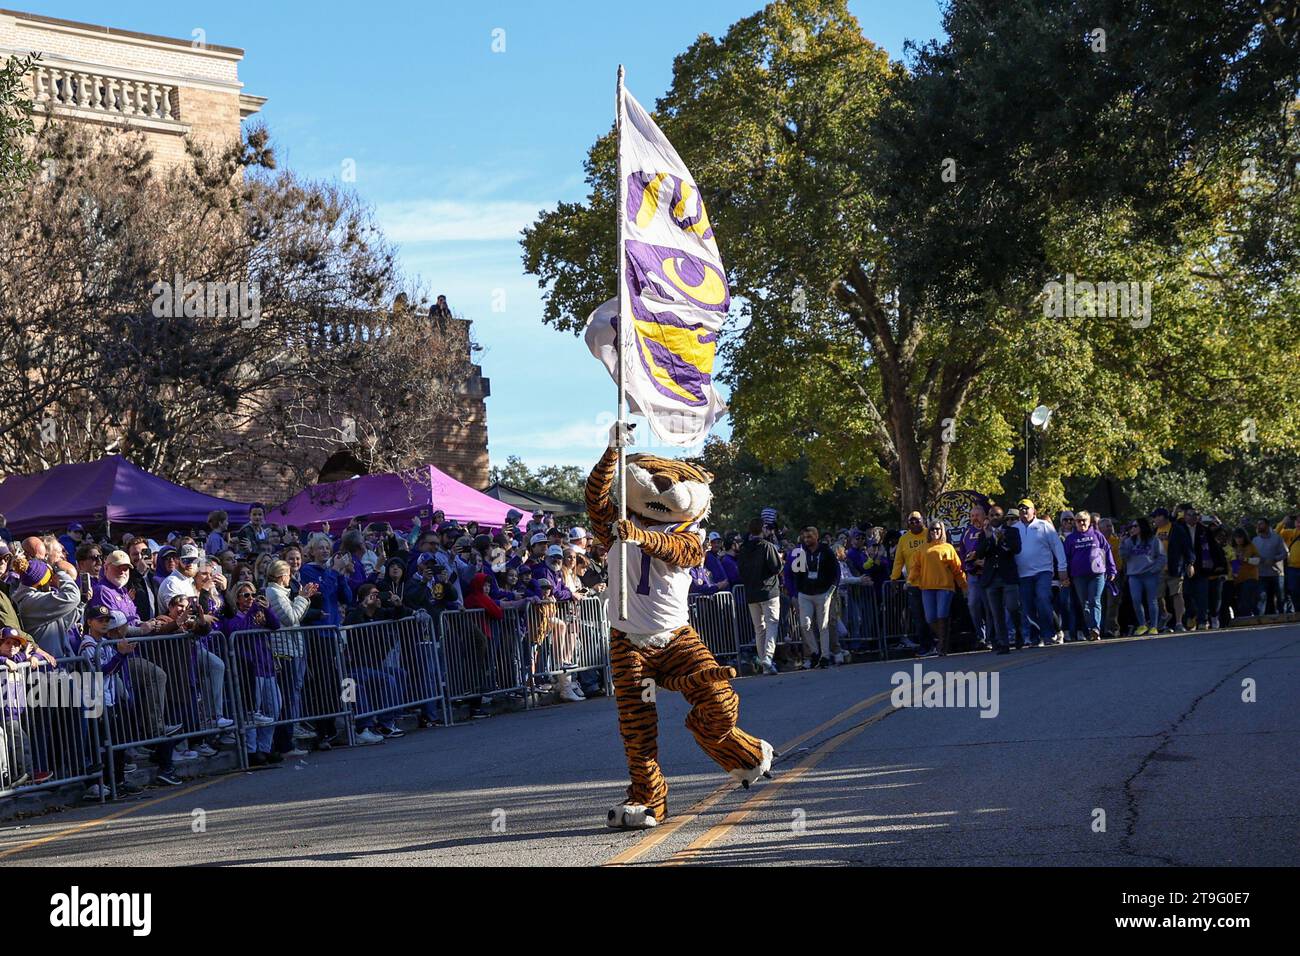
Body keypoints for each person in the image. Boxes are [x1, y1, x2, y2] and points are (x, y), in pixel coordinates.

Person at [1012, 499, 1067, 647]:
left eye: (1027, 508)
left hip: (1043, 571)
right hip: (1023, 574)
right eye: (1021, 509)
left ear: (1034, 511)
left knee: (1043, 599)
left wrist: (1062, 568)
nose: (1024, 511)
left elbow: (1057, 546)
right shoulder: (1014, 528)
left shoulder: (1044, 526)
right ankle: (1035, 637)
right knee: (1028, 606)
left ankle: (1049, 634)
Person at [1062, 509, 1117, 641]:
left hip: (1097, 574)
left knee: (1095, 600)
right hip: (1079, 576)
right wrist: (1066, 576)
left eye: (1084, 520)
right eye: (1078, 521)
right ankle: (1090, 627)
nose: (1081, 523)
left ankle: (1095, 628)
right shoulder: (1070, 539)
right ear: (1075, 523)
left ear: (1089, 521)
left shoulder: (1097, 535)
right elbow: (1066, 558)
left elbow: (1107, 551)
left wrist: (1112, 569)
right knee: (1084, 603)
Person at [914, 520, 966, 657]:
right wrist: (910, 581)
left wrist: (964, 585)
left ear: (942, 531)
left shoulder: (948, 548)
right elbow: (916, 568)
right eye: (932, 529)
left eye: (937, 529)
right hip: (927, 587)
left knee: (942, 614)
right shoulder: (923, 548)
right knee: (930, 617)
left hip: (945, 587)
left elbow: (957, 569)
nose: (935, 532)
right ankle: (944, 640)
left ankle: (942, 645)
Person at [975, 504, 1021, 653]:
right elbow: (980, 553)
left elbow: (1016, 549)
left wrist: (1001, 540)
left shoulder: (1012, 531)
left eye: (998, 515)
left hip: (1008, 576)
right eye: (992, 515)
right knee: (997, 613)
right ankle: (1003, 643)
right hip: (991, 578)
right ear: (988, 517)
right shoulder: (983, 534)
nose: (995, 518)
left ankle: (1018, 631)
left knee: (1012, 607)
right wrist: (988, 539)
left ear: (1003, 517)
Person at [738, 518, 782, 675]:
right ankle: (768, 657)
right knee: (771, 624)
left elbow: (741, 571)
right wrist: (780, 558)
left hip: (751, 593)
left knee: (759, 629)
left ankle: (765, 664)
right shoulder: (767, 546)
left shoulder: (743, 549)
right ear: (761, 528)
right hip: (768, 591)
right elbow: (776, 567)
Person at [792, 526, 840, 668]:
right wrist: (798, 590)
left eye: (809, 537)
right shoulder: (800, 552)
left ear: (816, 537)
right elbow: (797, 573)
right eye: (805, 537)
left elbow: (835, 571)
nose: (807, 540)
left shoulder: (826, 551)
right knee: (804, 624)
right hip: (805, 594)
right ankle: (814, 652)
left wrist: (832, 589)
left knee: (823, 625)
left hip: (823, 593)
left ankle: (825, 656)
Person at [890, 511, 929, 651]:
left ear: (922, 520)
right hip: (913, 583)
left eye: (917, 521)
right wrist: (894, 578)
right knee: (918, 616)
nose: (914, 524)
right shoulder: (904, 539)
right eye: (911, 521)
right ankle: (925, 645)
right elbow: (898, 561)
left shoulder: (929, 533)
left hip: (931, 581)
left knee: (932, 614)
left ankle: (939, 642)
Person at [1121, 518, 1165, 636]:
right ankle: (1142, 624)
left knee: (1152, 600)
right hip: (1134, 575)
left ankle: (1154, 626)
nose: (1132, 529)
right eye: (1131, 527)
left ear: (1142, 527)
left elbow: (1161, 557)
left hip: (1150, 574)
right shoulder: (1129, 541)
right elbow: (1124, 556)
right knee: (1136, 599)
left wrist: (1155, 569)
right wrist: (1123, 543)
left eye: (1135, 526)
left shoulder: (1154, 540)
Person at [1151, 507, 1192, 632]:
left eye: (1155, 517)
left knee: (1177, 594)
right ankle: (1164, 615)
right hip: (1158, 569)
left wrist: (1190, 563)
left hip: (1175, 567)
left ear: (1162, 517)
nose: (1154, 519)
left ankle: (1179, 623)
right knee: (1156, 596)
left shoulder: (1177, 529)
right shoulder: (1154, 531)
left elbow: (1187, 547)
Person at [1251, 518, 1287, 615]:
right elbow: (1252, 555)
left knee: (1280, 598)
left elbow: (1285, 553)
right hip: (1261, 574)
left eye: (1261, 524)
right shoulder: (1255, 540)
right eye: (1258, 524)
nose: (1258, 526)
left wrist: (1274, 559)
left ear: (1267, 525)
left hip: (1277, 574)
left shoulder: (1277, 538)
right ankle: (1260, 618)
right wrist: (1259, 559)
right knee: (1262, 597)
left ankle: (1283, 617)